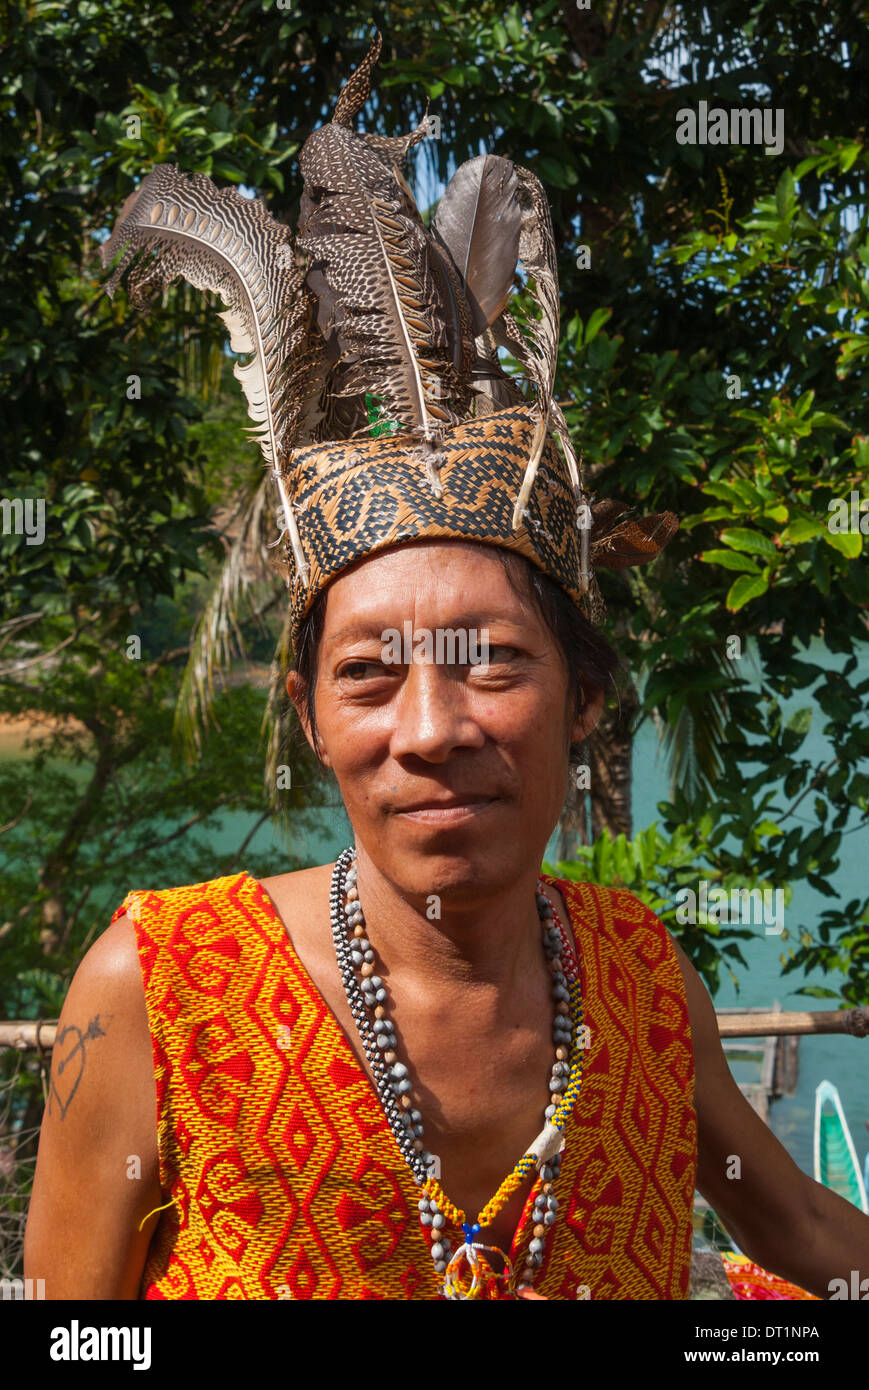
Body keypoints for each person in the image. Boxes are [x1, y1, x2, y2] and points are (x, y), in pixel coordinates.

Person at [23, 32, 869, 1301]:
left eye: (488, 664)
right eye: (368, 674)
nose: (429, 727)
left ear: (585, 700)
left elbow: (796, 1233)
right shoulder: (162, 986)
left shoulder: (636, 979)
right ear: (308, 713)